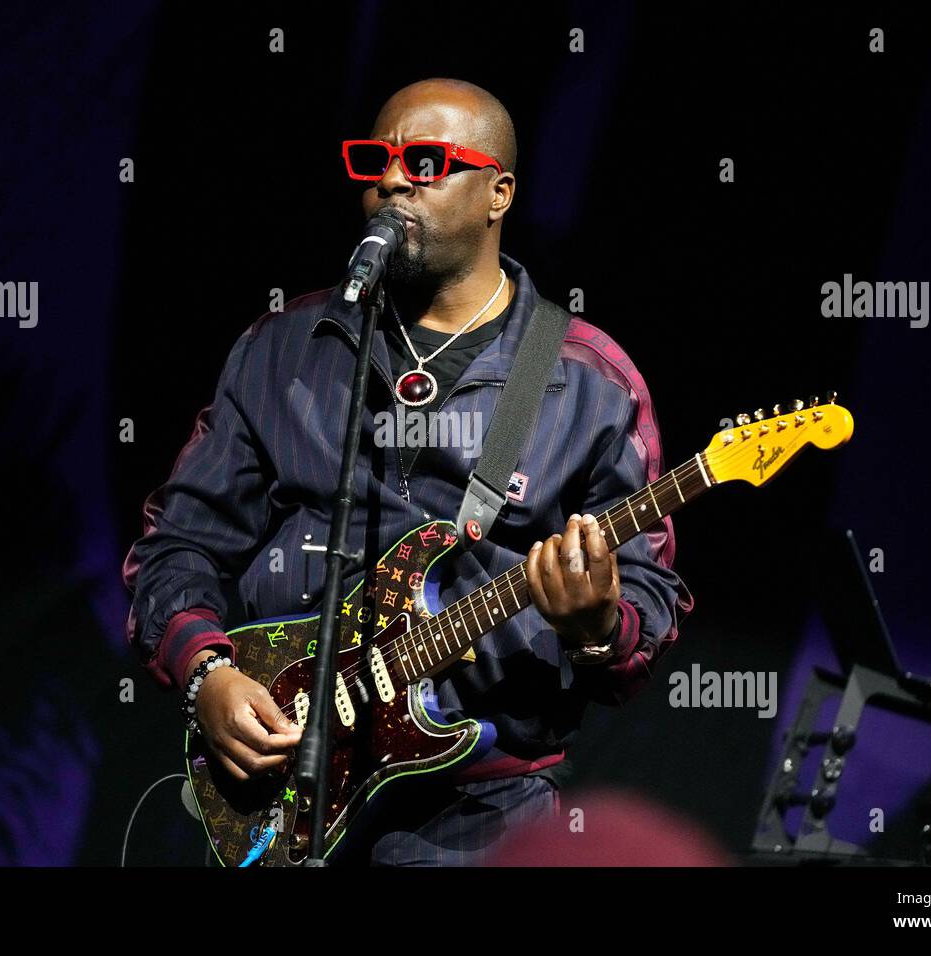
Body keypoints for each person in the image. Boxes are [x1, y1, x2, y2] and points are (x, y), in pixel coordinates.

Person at [122, 77, 693, 865]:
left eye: (426, 161)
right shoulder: (284, 348)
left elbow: (647, 612)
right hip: (281, 791)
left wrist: (596, 625)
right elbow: (176, 547)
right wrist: (206, 674)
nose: (392, 180)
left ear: (499, 193)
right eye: (376, 161)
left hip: (482, 818)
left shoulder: (588, 382)